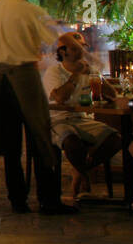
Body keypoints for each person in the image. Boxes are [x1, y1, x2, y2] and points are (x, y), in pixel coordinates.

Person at [0, 0, 75, 215]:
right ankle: (48, 200)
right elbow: (54, 38)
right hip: (25, 76)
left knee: (9, 143)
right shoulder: (29, 10)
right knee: (40, 137)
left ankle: (17, 200)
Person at [43, 32, 121, 200]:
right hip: (59, 120)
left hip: (83, 119)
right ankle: (85, 174)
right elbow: (60, 97)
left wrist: (97, 80)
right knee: (72, 142)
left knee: (115, 139)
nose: (82, 51)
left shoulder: (89, 70)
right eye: (76, 48)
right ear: (63, 52)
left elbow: (113, 94)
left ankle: (80, 171)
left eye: (83, 47)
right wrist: (77, 75)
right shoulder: (54, 72)